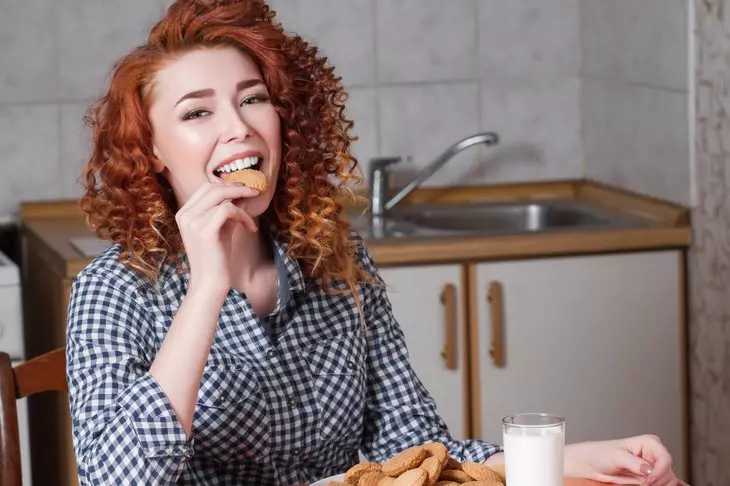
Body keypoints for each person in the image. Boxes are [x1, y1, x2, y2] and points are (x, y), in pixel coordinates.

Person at [65, 1, 687, 485]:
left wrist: (565, 459)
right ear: (151, 148)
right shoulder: (113, 292)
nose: (238, 127)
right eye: (197, 113)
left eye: (253, 99)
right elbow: (117, 478)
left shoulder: (337, 263)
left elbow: (414, 449)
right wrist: (206, 289)